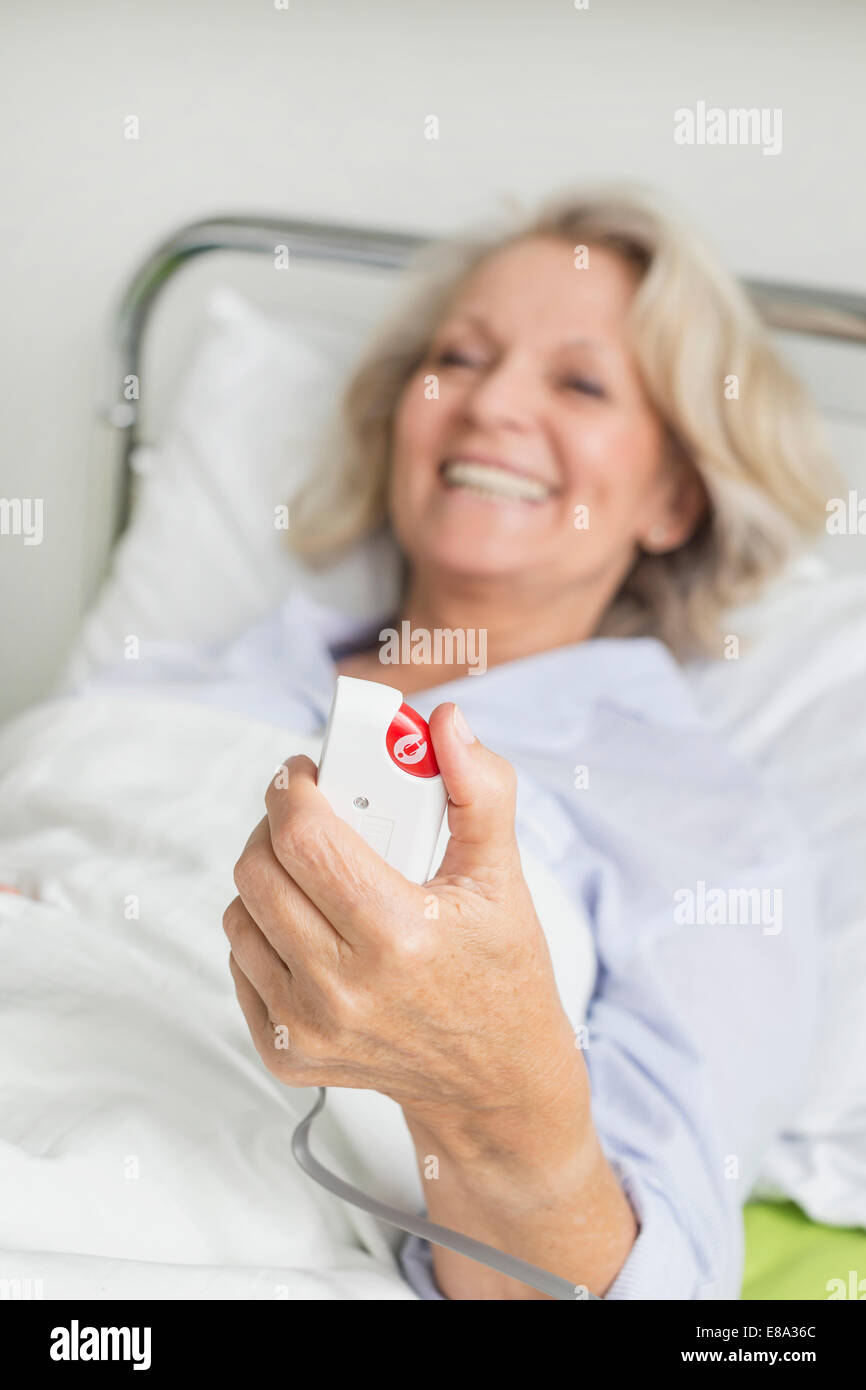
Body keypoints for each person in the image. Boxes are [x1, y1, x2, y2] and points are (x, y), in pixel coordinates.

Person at [78, 188, 835, 1299]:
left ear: (674, 493)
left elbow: (640, 1287)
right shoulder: (187, 675)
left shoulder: (701, 830)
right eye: (458, 358)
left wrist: (486, 1100)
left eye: (578, 381)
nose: (489, 407)